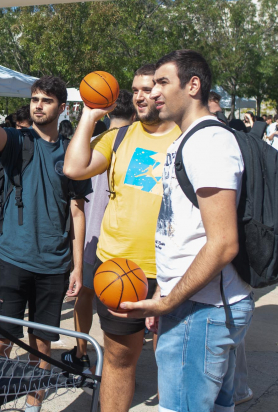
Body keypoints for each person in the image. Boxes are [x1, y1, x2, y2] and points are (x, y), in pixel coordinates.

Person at [116, 49, 252, 412]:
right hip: (192, 304)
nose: (153, 91)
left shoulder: (208, 143)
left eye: (163, 82)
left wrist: (169, 301)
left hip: (202, 311)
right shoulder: (187, 139)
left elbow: (223, 243)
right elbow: (185, 232)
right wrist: (164, 288)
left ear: (193, 86)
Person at [0, 57, 90, 412]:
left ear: (61, 107)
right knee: (1, 337)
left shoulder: (72, 154)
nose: (38, 105)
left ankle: (33, 403)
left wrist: (78, 268)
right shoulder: (16, 141)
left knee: (42, 341)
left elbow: (77, 212)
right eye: (35, 99)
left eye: (46, 100)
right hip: (12, 257)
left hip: (54, 263)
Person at [63, 65, 180, 411]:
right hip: (119, 270)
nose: (141, 96)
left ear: (164, 91)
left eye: (149, 89)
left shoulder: (186, 138)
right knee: (118, 359)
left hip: (170, 270)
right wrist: (89, 115)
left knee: (171, 363)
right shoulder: (119, 137)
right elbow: (73, 168)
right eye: (136, 90)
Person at [62, 89, 135, 376]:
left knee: (85, 295)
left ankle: (81, 353)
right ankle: (118, 361)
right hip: (122, 236)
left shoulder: (90, 143)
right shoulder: (138, 147)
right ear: (135, 115)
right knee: (122, 303)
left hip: (89, 233)